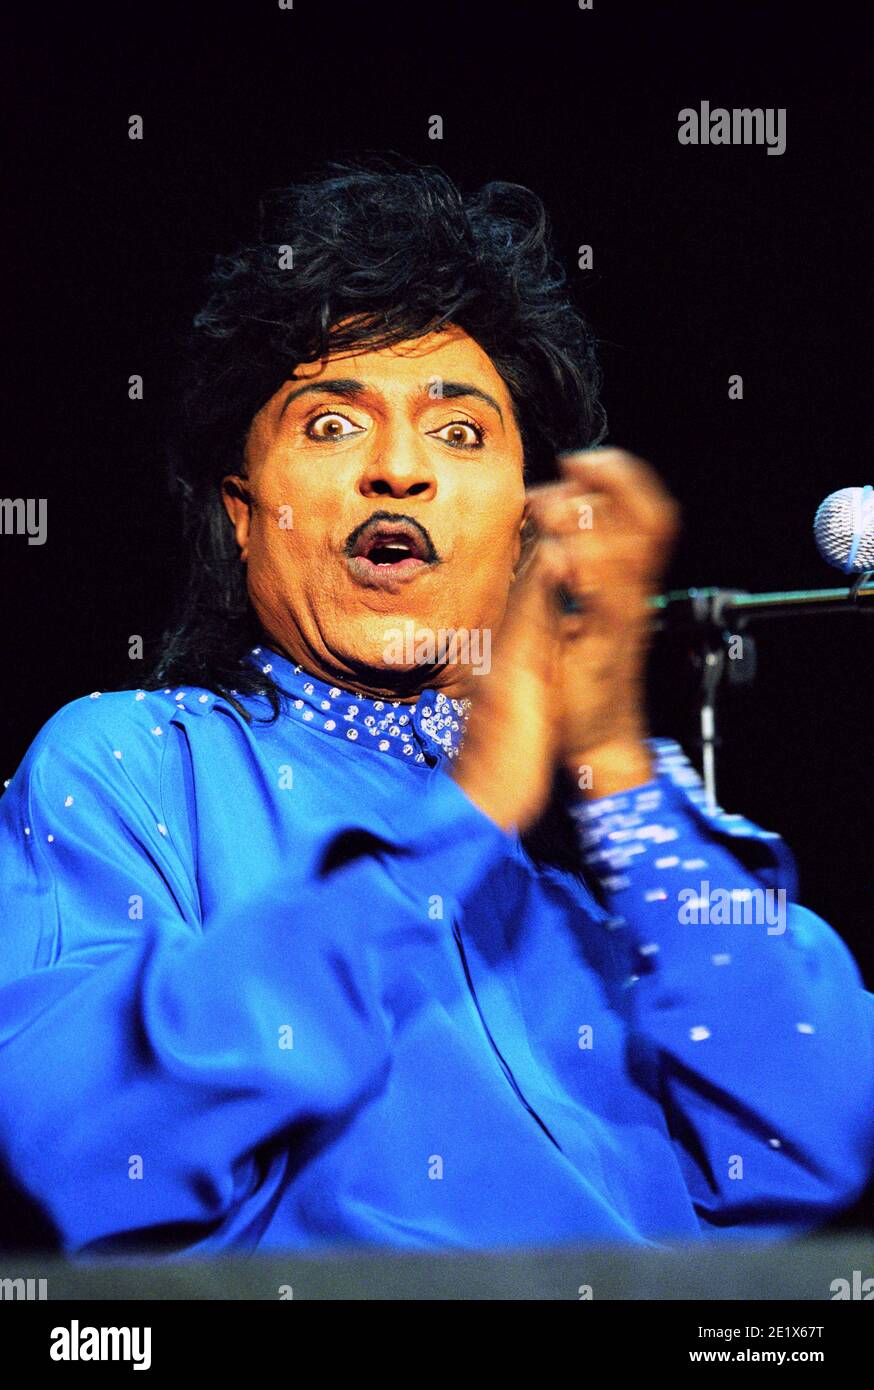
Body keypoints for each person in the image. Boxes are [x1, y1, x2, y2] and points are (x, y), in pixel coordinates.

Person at [1, 157, 871, 1257]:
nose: (398, 468)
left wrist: (613, 767)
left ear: (524, 529)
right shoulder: (127, 764)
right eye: (330, 424)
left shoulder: (598, 854)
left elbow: (814, 1133)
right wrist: (461, 818)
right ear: (240, 514)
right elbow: (79, 1137)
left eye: (460, 432)